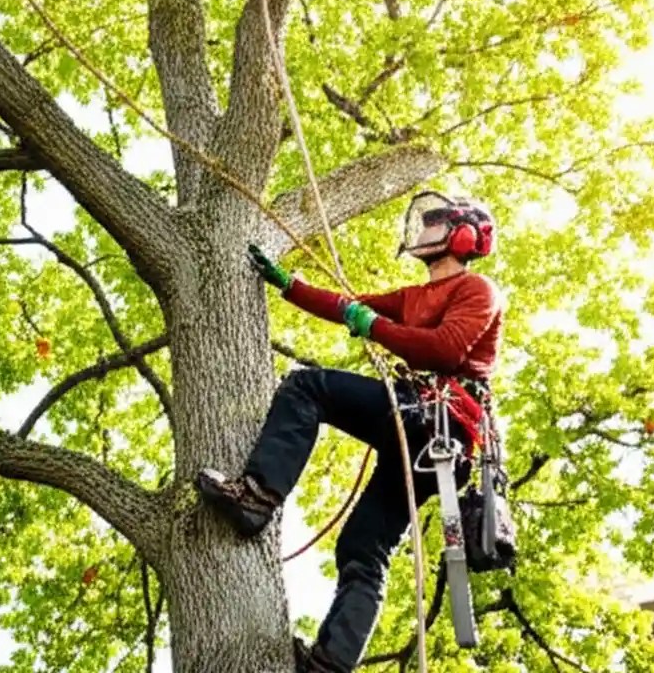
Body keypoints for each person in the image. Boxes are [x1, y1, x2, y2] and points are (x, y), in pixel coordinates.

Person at [195, 192, 505, 673]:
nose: (422, 232)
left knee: (307, 387)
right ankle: (330, 664)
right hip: (417, 430)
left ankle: (256, 496)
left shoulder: (477, 290)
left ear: (461, 235)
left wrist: (376, 327)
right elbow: (347, 306)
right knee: (362, 547)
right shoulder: (413, 297)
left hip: (435, 422)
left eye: (434, 223)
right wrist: (288, 285)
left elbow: (444, 351)